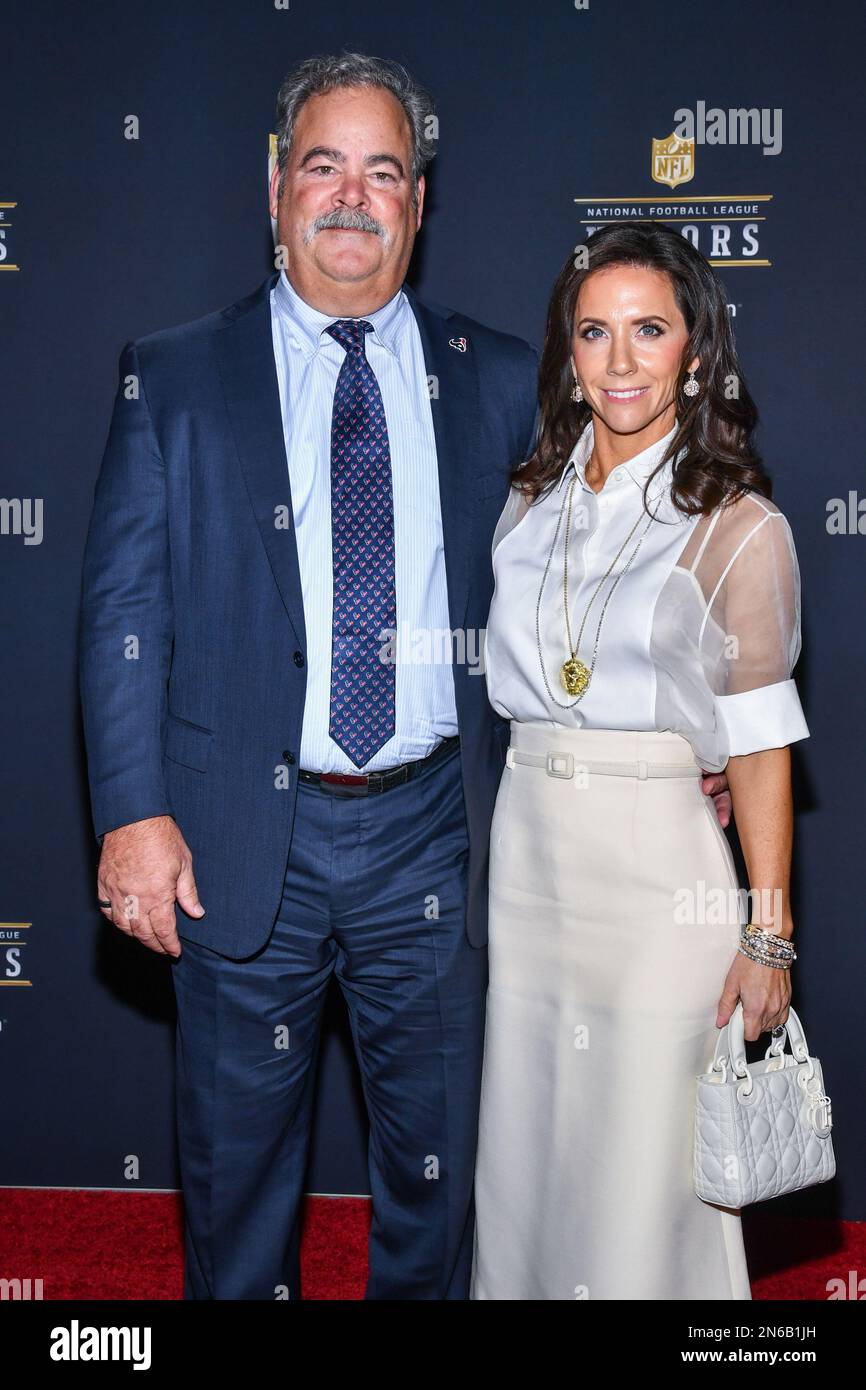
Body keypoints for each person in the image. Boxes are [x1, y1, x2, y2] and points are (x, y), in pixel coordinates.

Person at [78, 54, 730, 1300]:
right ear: (272, 186)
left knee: (437, 1191)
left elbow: (601, 560)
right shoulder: (170, 375)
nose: (350, 195)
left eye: (384, 171)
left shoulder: (493, 376)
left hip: (437, 843)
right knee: (234, 1180)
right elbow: (121, 608)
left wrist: (685, 736)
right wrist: (130, 812)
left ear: (418, 206)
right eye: (321, 164)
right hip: (229, 843)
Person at [471, 221, 809, 1300]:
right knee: (530, 1161)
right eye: (594, 333)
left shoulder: (739, 526)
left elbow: (756, 746)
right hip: (532, 866)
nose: (619, 361)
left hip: (660, 882)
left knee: (648, 1180)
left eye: (648, 330)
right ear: (566, 354)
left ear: (695, 351)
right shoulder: (526, 503)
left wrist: (767, 934)